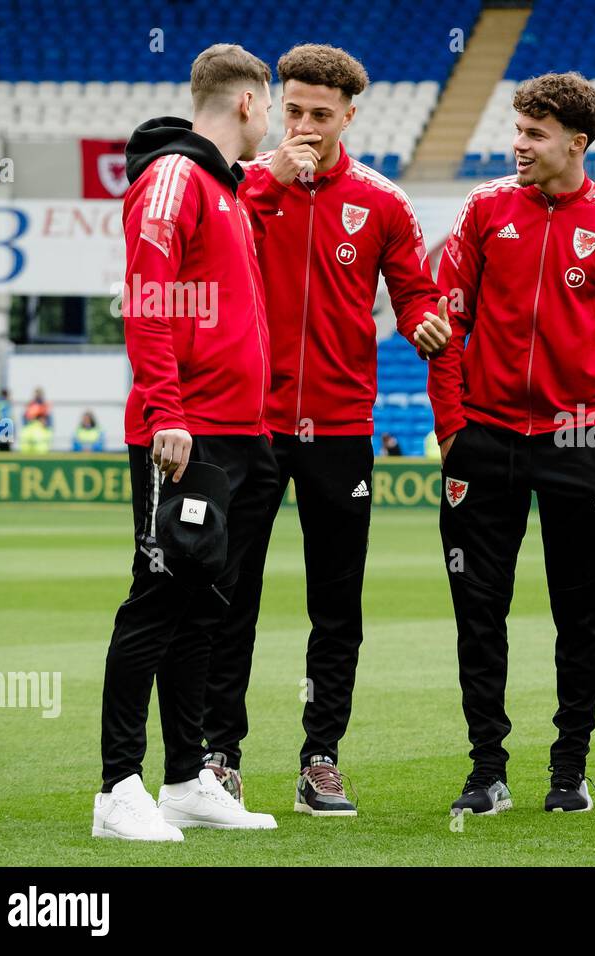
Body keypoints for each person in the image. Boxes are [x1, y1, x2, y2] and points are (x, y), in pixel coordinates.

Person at [205, 44, 451, 817]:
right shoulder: (240, 189)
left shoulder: (382, 202)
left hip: (342, 428)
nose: (305, 124)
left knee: (335, 605)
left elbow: (414, 290)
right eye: (295, 110)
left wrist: (425, 322)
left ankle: (321, 758)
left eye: (321, 113)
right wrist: (260, 188)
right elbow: (201, 256)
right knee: (227, 594)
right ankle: (219, 756)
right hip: (249, 424)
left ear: (351, 114)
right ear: (277, 107)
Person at [429, 71, 595, 815]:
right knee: (479, 610)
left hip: (576, 445)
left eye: (533, 133)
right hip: (484, 440)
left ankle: (569, 769)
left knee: (578, 614)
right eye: (517, 130)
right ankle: (486, 769)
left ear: (575, 143)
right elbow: (447, 322)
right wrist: (452, 429)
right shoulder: (485, 208)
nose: (518, 144)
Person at [94, 43, 282, 842]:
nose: (269, 120)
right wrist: (167, 409)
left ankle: (183, 781)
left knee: (205, 608)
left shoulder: (224, 187)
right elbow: (148, 299)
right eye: (269, 105)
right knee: (158, 598)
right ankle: (116, 788)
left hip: (237, 433)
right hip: (188, 433)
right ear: (246, 102)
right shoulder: (174, 177)